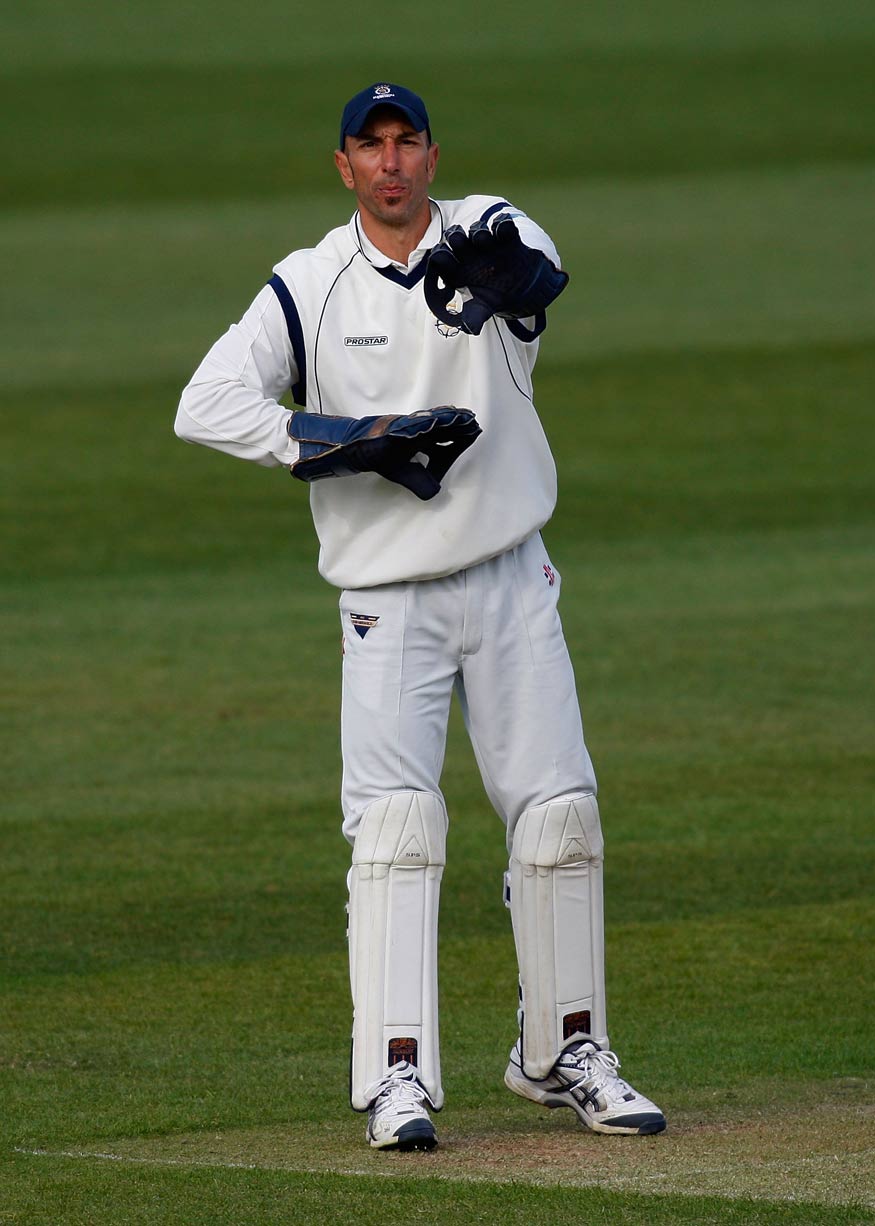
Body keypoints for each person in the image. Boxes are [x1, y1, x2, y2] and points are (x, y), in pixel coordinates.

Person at [175, 82, 666, 1152]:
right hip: (387, 600)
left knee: (560, 819)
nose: (391, 162)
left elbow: (536, 270)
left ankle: (565, 1053)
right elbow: (204, 403)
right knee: (397, 831)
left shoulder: (488, 225)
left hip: (512, 577)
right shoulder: (309, 283)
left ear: (433, 157)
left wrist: (507, 288)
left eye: (408, 143)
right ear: (344, 165)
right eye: (372, 145)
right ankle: (396, 1079)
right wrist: (347, 440)